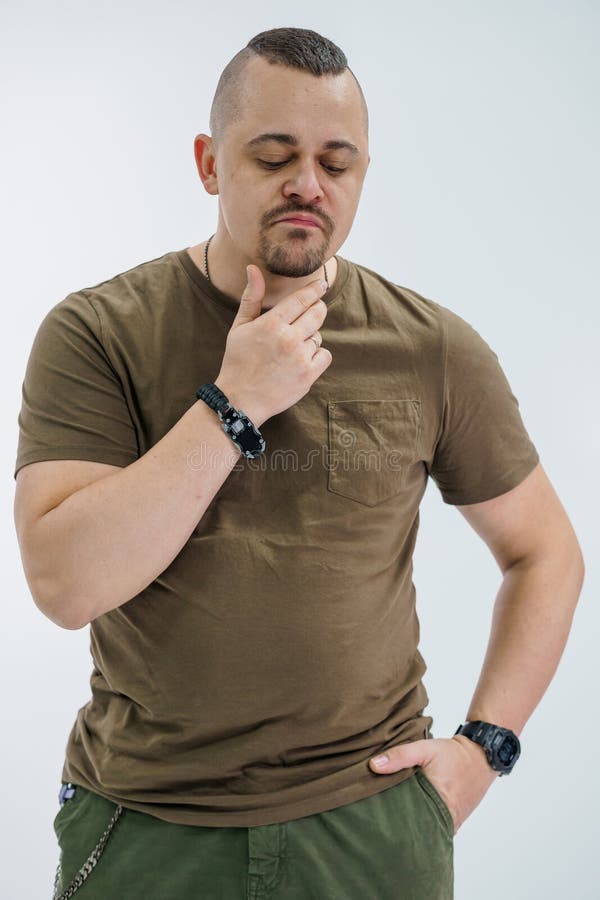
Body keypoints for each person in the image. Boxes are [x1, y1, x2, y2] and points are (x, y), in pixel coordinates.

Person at [13, 26, 584, 900]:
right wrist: (233, 403)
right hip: (147, 827)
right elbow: (65, 584)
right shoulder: (99, 333)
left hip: (374, 824)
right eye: (273, 156)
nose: (307, 186)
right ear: (209, 163)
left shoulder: (431, 347)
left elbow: (547, 554)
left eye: (337, 163)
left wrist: (484, 751)